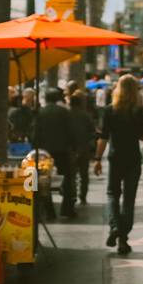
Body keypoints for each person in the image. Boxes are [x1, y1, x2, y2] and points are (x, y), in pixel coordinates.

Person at [94, 73, 143, 255]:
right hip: (133, 158)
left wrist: (97, 159)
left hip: (115, 157)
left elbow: (103, 137)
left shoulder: (110, 110)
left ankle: (115, 227)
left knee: (112, 194)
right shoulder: (139, 111)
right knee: (129, 199)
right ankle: (123, 239)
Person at [35, 87, 78, 219]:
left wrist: (35, 147)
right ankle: (67, 209)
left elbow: (35, 133)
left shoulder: (40, 113)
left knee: (44, 181)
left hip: (44, 152)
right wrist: (74, 148)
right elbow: (72, 131)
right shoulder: (64, 112)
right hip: (63, 150)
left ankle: (49, 211)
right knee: (67, 179)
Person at [69, 89, 97, 206]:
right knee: (84, 175)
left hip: (70, 149)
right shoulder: (86, 116)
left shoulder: (66, 115)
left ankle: (72, 195)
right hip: (83, 148)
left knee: (71, 174)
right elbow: (92, 132)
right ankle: (83, 196)